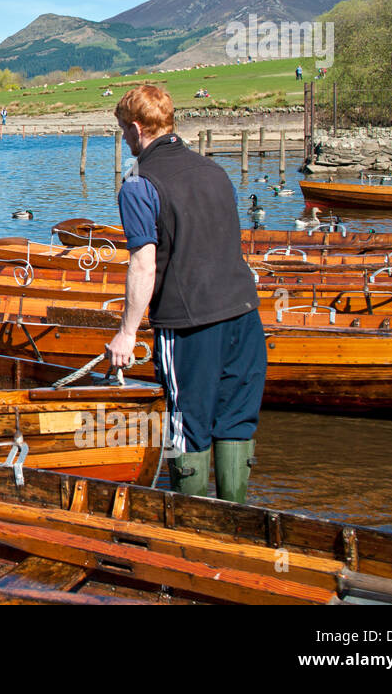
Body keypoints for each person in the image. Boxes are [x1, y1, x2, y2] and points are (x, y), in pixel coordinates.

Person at [104, 85, 266, 503]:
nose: (125, 138)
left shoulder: (138, 184)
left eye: (123, 130)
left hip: (189, 323)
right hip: (244, 313)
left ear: (137, 128)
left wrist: (127, 332)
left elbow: (144, 265)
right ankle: (235, 521)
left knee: (186, 426)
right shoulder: (215, 172)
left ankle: (189, 525)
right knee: (236, 421)